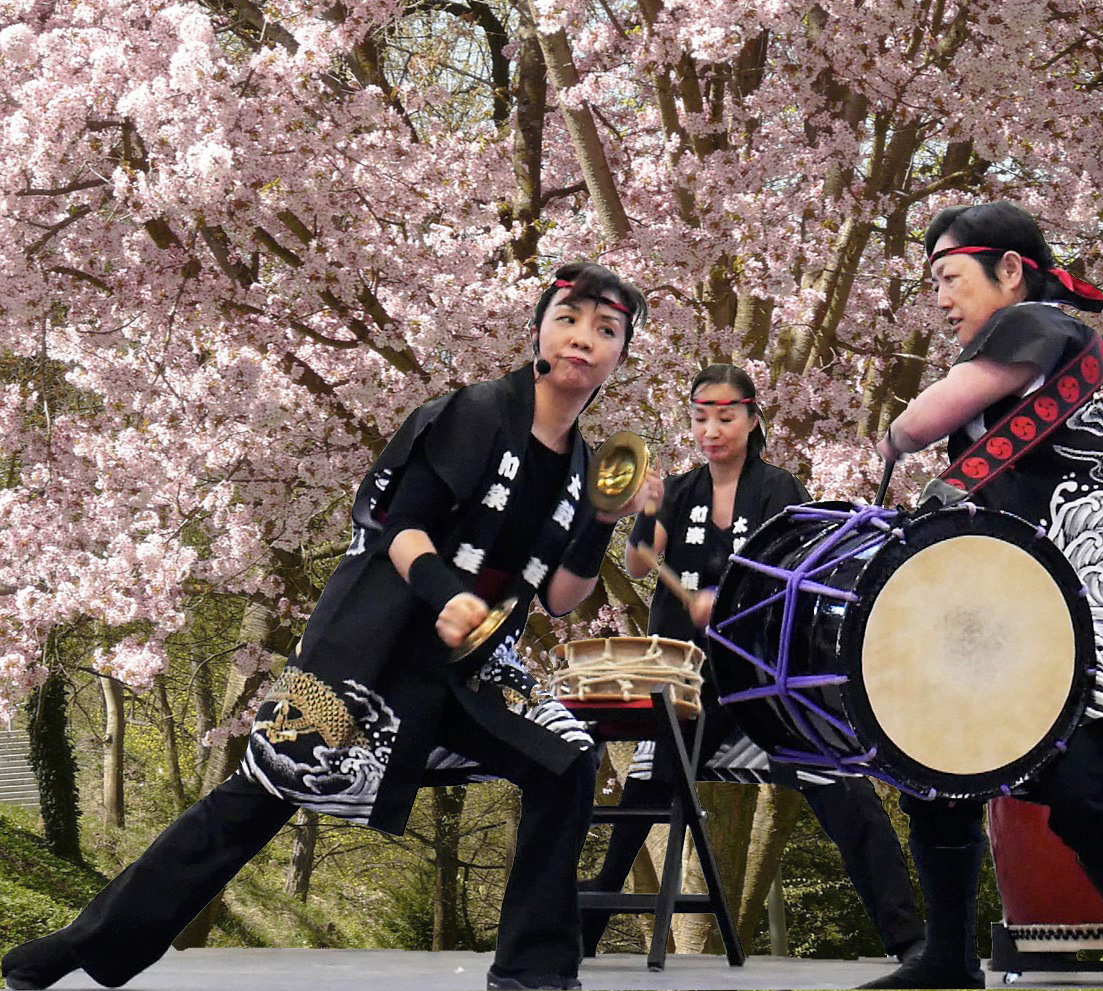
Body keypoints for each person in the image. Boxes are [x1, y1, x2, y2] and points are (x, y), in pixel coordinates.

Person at [1, 262, 662, 991]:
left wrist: (604, 516)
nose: (582, 339)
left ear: (620, 356)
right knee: (255, 799)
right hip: (369, 655)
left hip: (467, 676)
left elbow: (563, 596)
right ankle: (69, 950)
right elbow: (400, 525)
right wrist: (445, 592)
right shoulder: (474, 412)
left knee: (563, 759)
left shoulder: (579, 469)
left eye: (606, 330)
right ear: (538, 328)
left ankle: (533, 973)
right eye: (568, 318)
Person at [861, 203, 1103, 989]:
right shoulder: (1042, 345)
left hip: (1081, 607)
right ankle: (950, 957)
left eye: (950, 278)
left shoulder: (1035, 326)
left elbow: (923, 422)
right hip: (1021, 604)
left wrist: (888, 435)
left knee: (1085, 782)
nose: (943, 299)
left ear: (1010, 270)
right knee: (935, 764)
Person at [581, 363, 926, 963]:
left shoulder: (779, 491)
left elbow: (798, 577)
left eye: (725, 414)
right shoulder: (680, 490)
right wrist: (647, 509)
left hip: (764, 680)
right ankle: (580, 934)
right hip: (687, 678)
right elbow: (639, 564)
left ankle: (909, 938)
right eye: (700, 416)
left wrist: (735, 600)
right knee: (648, 786)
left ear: (752, 416)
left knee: (841, 784)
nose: (711, 428)